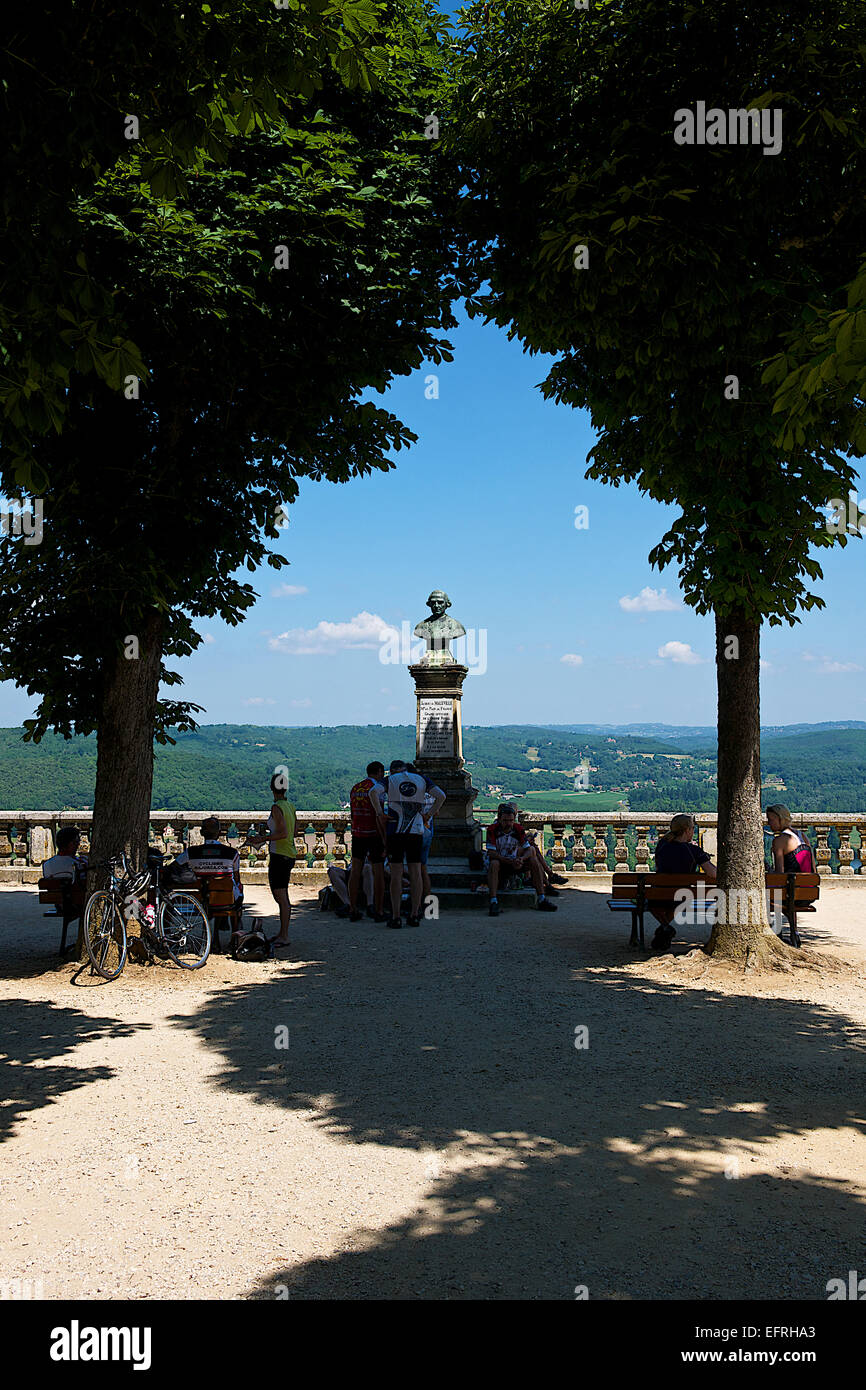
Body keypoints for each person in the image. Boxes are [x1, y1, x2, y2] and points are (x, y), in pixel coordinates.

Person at [382, 759, 445, 928]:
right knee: (418, 871)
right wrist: (428, 816)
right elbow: (441, 797)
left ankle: (395, 916)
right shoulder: (422, 782)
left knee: (396, 874)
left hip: (396, 830)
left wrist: (379, 813)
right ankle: (417, 912)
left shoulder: (392, 782)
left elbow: (374, 792)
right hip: (418, 831)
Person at [244, 772, 296, 950]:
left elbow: (282, 833)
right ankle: (283, 933)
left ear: (272, 789)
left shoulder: (276, 807)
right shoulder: (290, 806)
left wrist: (262, 839)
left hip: (279, 855)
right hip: (288, 853)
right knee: (282, 896)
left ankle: (285, 935)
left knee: (280, 896)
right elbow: (292, 831)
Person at [650, 813, 717, 951]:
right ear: (687, 830)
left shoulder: (663, 845)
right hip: (683, 896)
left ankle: (665, 928)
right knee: (680, 899)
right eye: (693, 828)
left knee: (650, 902)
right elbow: (712, 873)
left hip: (658, 894)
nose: (693, 831)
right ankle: (665, 929)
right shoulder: (694, 851)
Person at [486, 803, 557, 916]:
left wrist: (521, 859)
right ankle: (493, 901)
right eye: (505, 820)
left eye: (511, 820)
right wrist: (510, 861)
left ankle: (541, 898)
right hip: (502, 863)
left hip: (516, 862)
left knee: (533, 860)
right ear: (499, 819)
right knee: (494, 863)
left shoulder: (517, 829)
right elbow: (491, 853)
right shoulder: (492, 830)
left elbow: (529, 849)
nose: (508, 824)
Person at [347, 761, 387, 921]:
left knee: (355, 872)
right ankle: (378, 910)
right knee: (378, 873)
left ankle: (353, 908)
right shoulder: (377, 790)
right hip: (374, 834)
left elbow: (352, 814)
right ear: (379, 772)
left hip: (358, 834)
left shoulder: (355, 788)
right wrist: (385, 839)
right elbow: (379, 816)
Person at [174, 817, 243, 907]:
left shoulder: (190, 852)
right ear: (219, 833)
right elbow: (237, 879)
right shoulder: (232, 853)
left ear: (201, 833)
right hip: (225, 899)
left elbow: (174, 866)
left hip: (199, 900)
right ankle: (226, 919)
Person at [766, 804, 814, 872]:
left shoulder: (779, 841)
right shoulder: (802, 836)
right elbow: (812, 867)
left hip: (791, 881)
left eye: (771, 820)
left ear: (781, 819)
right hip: (809, 881)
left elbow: (779, 873)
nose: (768, 823)